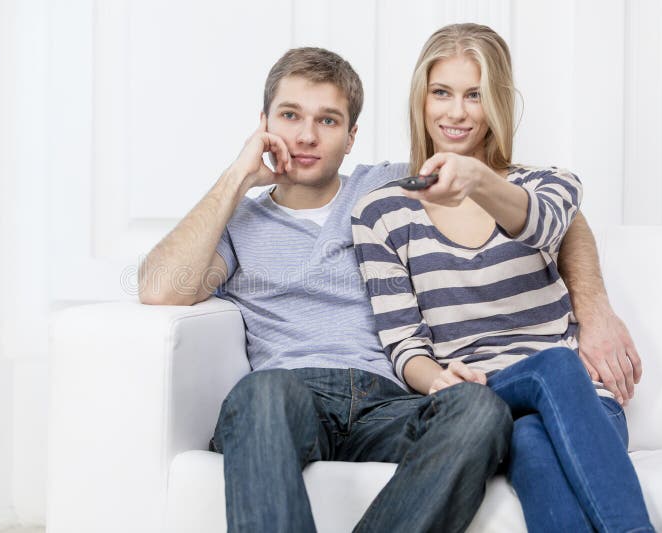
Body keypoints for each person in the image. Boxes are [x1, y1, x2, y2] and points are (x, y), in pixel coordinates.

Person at [139, 47, 512, 532]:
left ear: (352, 136)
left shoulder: (388, 186)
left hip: (391, 401)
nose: (307, 136)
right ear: (264, 122)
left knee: (481, 409)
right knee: (261, 391)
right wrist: (238, 177)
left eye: (329, 121)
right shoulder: (236, 223)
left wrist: (594, 304)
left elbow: (521, 191)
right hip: (288, 398)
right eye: (290, 115)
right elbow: (158, 288)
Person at [352, 23, 654, 532]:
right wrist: (439, 381)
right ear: (420, 100)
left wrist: (477, 179)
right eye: (442, 93)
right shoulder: (381, 213)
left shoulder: (548, 184)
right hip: (483, 395)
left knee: (535, 439)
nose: (455, 111)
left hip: (578, 403)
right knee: (555, 365)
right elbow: (404, 343)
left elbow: (540, 224)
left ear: (496, 103)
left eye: (474, 95)